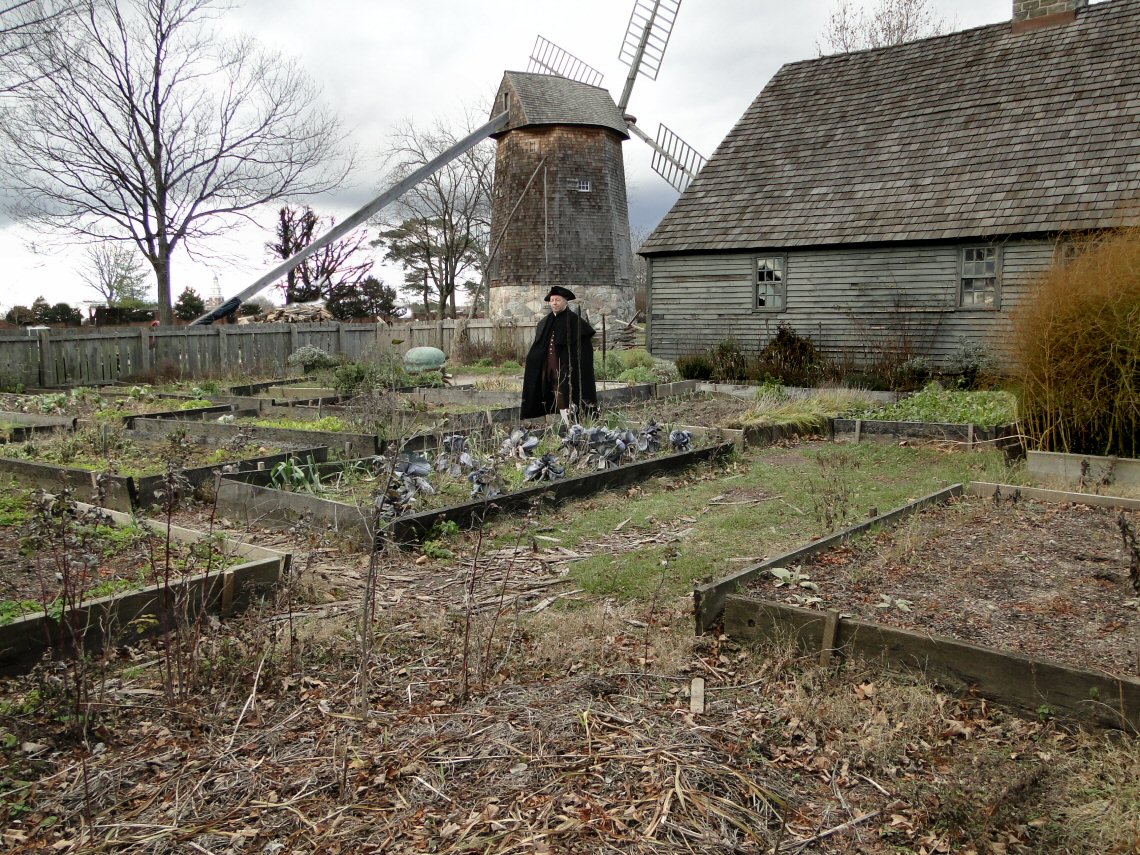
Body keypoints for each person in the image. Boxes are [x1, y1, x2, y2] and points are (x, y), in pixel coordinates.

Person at [520, 285, 597, 420]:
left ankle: (572, 424)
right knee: (554, 397)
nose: (554, 303)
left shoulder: (575, 321)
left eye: (558, 300)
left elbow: (584, 352)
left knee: (568, 398)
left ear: (565, 301)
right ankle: (563, 424)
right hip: (549, 370)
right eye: (552, 300)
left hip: (567, 371)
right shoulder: (545, 322)